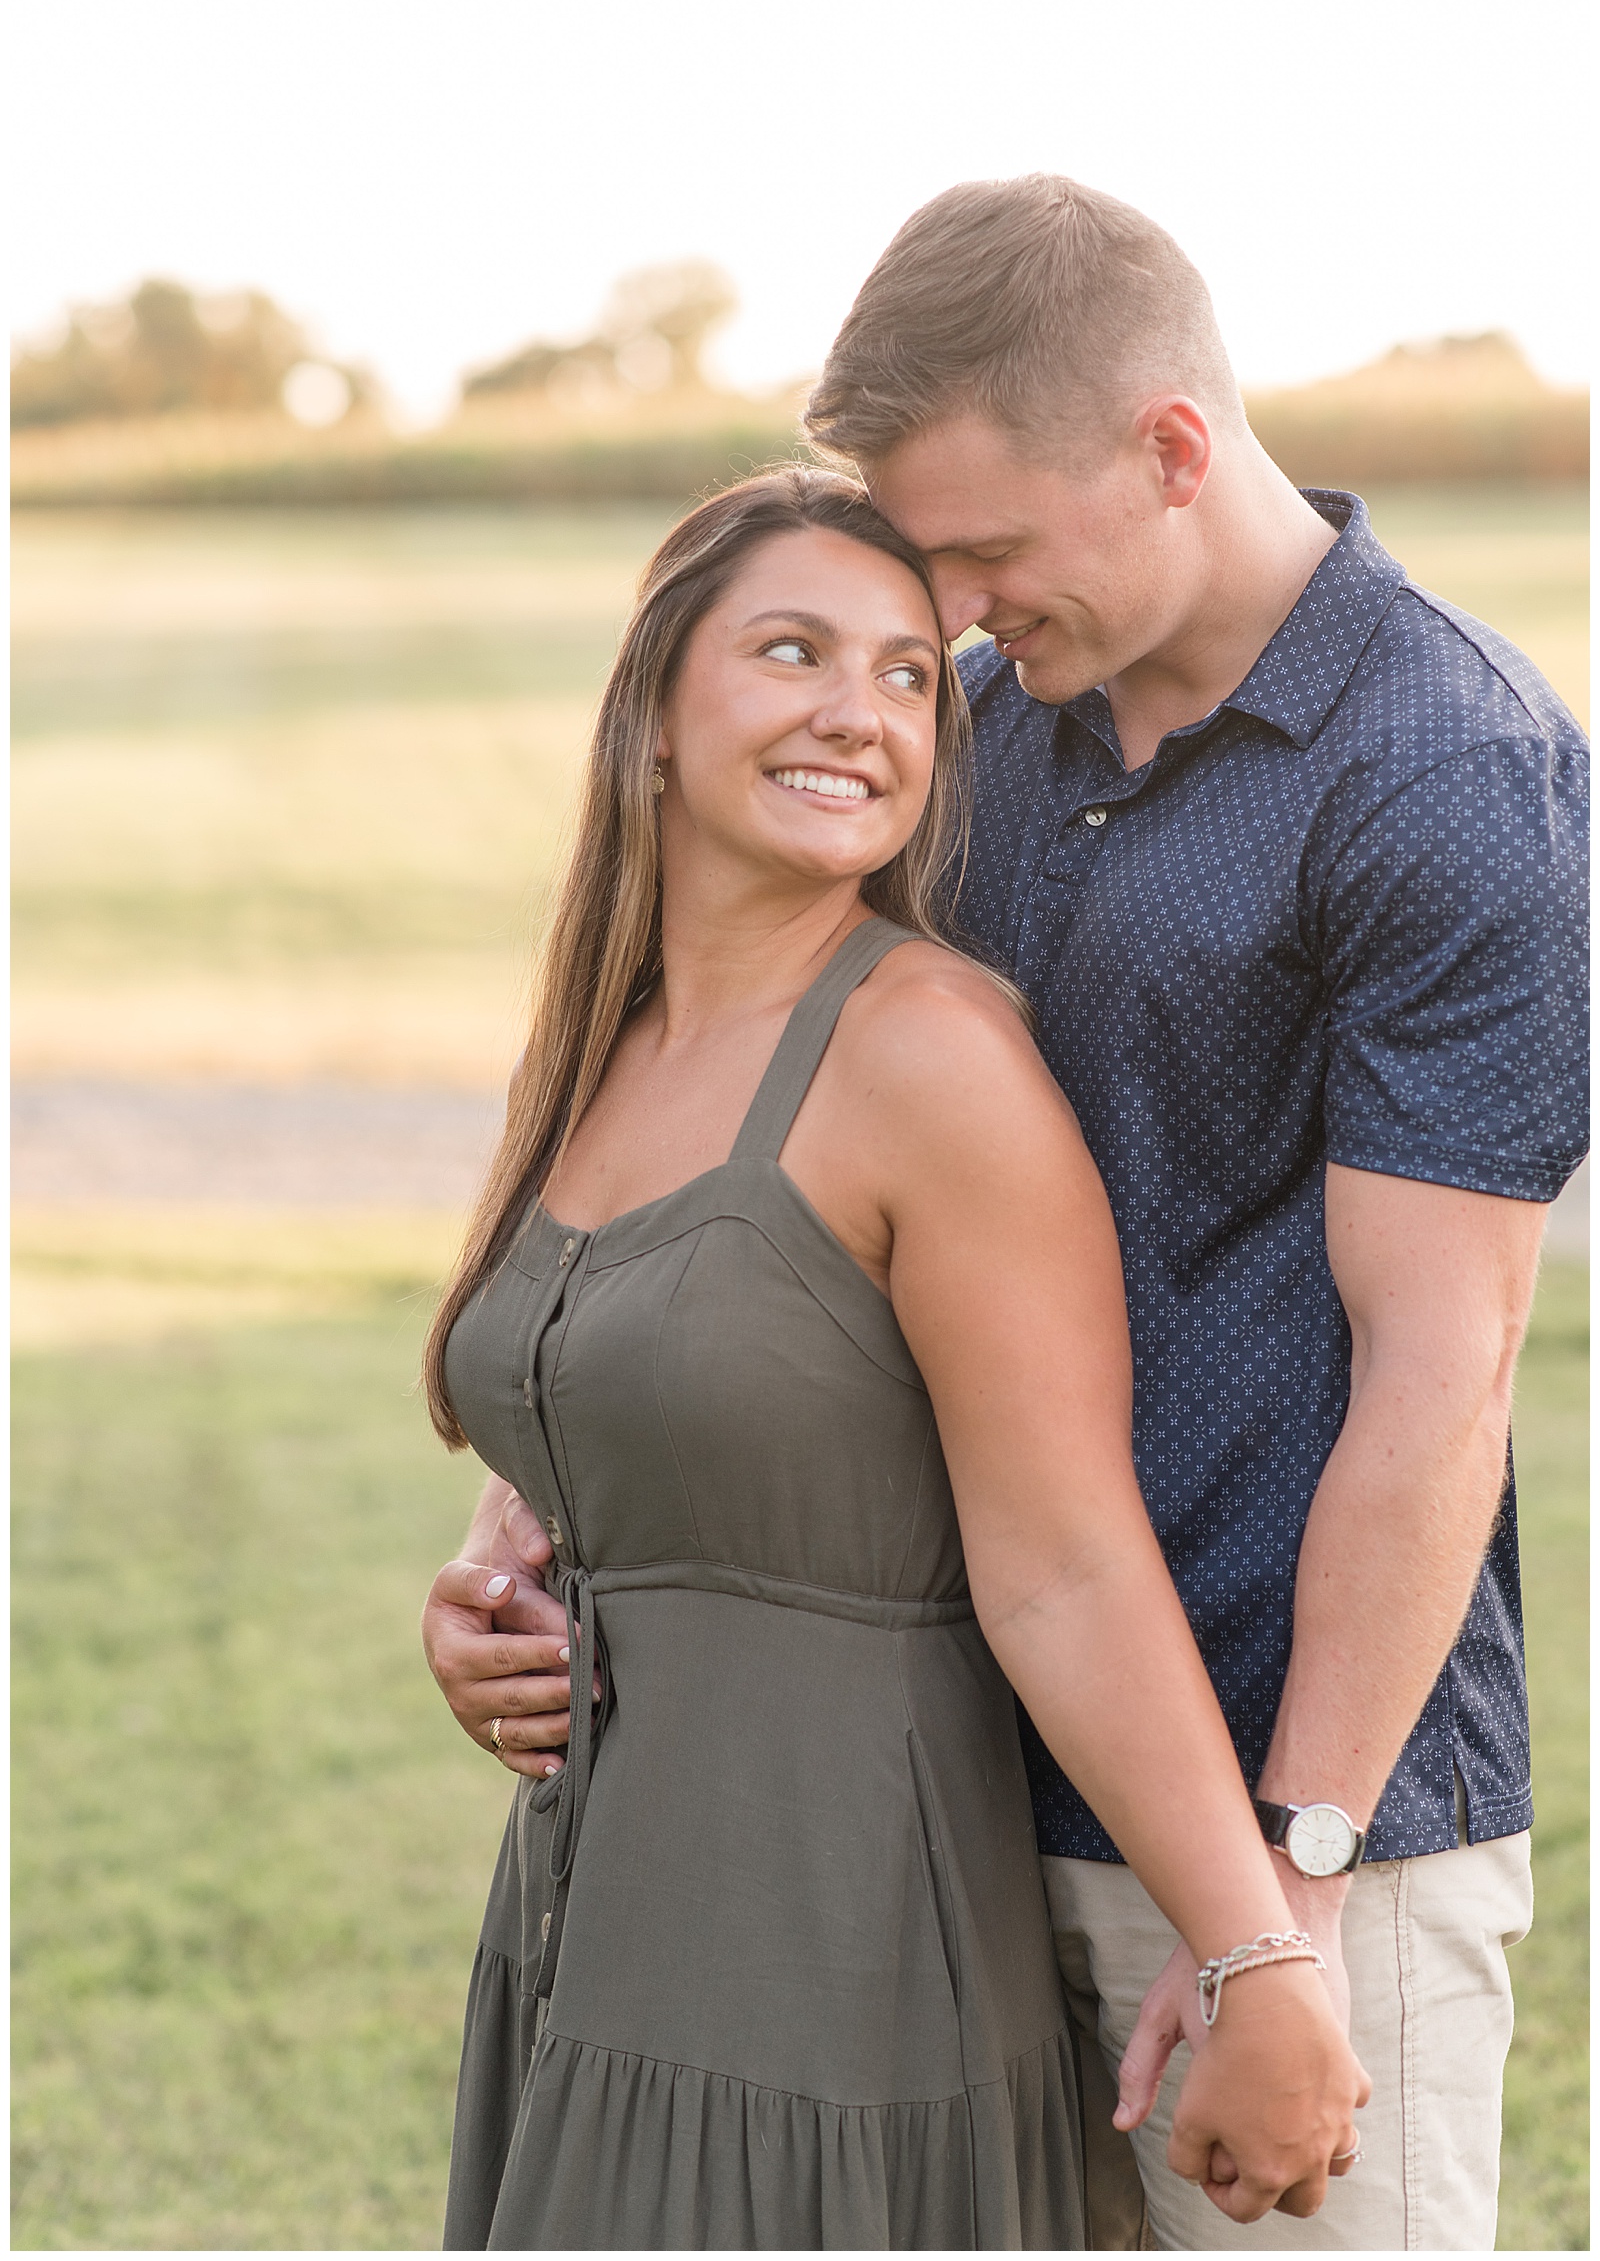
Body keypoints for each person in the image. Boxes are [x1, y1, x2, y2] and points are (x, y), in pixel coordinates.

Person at [421, 469, 1366, 2250]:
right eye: (794, 652)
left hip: (834, 1963)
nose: (861, 712)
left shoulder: (928, 1054)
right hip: (590, 1922)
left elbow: (1067, 1559)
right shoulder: (608, 1042)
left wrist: (1259, 1954)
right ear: (654, 712)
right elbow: (610, 1408)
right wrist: (493, 1596)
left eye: (911, 673)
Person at [797, 176, 1589, 2249]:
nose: (956, 606)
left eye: (986, 547)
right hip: (964, 1783)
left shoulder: (1448, 766)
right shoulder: (976, 733)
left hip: (1300, 1819)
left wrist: (1285, 1898)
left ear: (1168, 446)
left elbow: (1439, 1367)